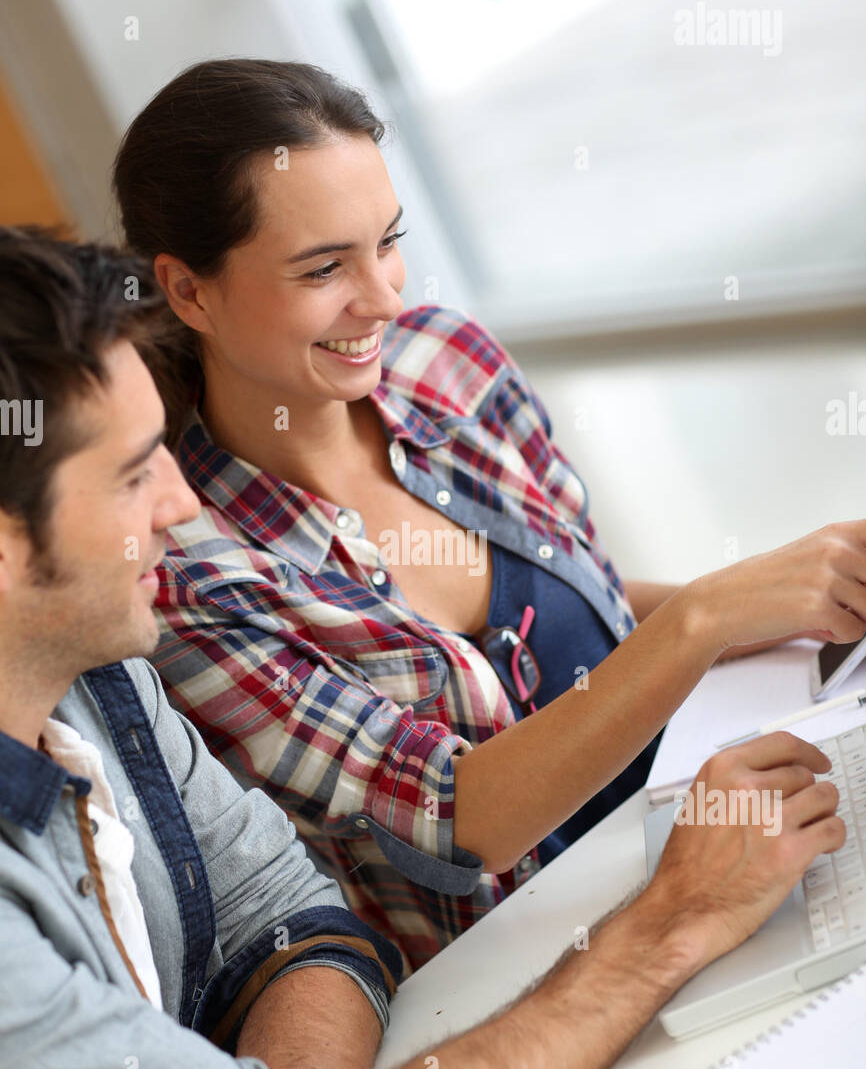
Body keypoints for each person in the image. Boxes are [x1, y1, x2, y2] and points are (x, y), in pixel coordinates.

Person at [0, 226, 855, 1069]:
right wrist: (673, 919)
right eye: (131, 474)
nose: (181, 504)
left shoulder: (100, 682)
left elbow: (284, 914)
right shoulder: (179, 606)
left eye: (389, 240)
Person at [114, 58, 836, 974]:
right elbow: (459, 818)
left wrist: (795, 601)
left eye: (388, 241)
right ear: (188, 291)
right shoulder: (188, 579)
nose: (385, 296)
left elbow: (594, 607)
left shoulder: (449, 363)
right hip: (563, 976)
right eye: (324, 267)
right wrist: (706, 616)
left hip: (730, 838)